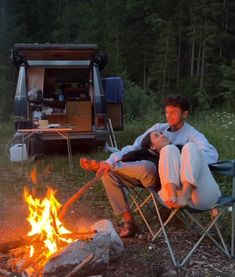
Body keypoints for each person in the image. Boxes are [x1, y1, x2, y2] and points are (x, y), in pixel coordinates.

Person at [80, 95, 221, 238]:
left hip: (166, 177)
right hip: (150, 175)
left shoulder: (192, 135)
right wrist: (109, 161)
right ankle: (129, 222)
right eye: (167, 112)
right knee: (107, 173)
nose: (169, 116)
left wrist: (185, 159)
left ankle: (108, 166)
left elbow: (210, 153)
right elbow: (134, 147)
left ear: (184, 114)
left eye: (173, 113)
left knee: (151, 165)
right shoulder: (159, 128)